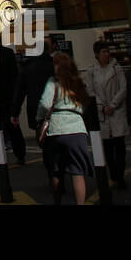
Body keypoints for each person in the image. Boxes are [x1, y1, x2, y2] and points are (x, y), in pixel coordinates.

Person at [36, 52, 92, 205]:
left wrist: (39, 118)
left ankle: (58, 201)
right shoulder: (78, 82)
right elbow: (86, 103)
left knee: (57, 171)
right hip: (77, 129)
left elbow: (45, 104)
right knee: (78, 172)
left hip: (57, 129)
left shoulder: (53, 82)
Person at [88, 40, 128, 188]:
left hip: (116, 110)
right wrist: (102, 106)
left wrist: (113, 104)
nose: (106, 54)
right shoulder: (92, 71)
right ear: (97, 55)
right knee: (108, 147)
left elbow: (123, 88)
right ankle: (114, 173)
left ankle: (120, 175)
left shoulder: (117, 68)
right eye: (103, 52)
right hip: (103, 113)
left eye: (107, 51)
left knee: (120, 146)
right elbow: (90, 90)